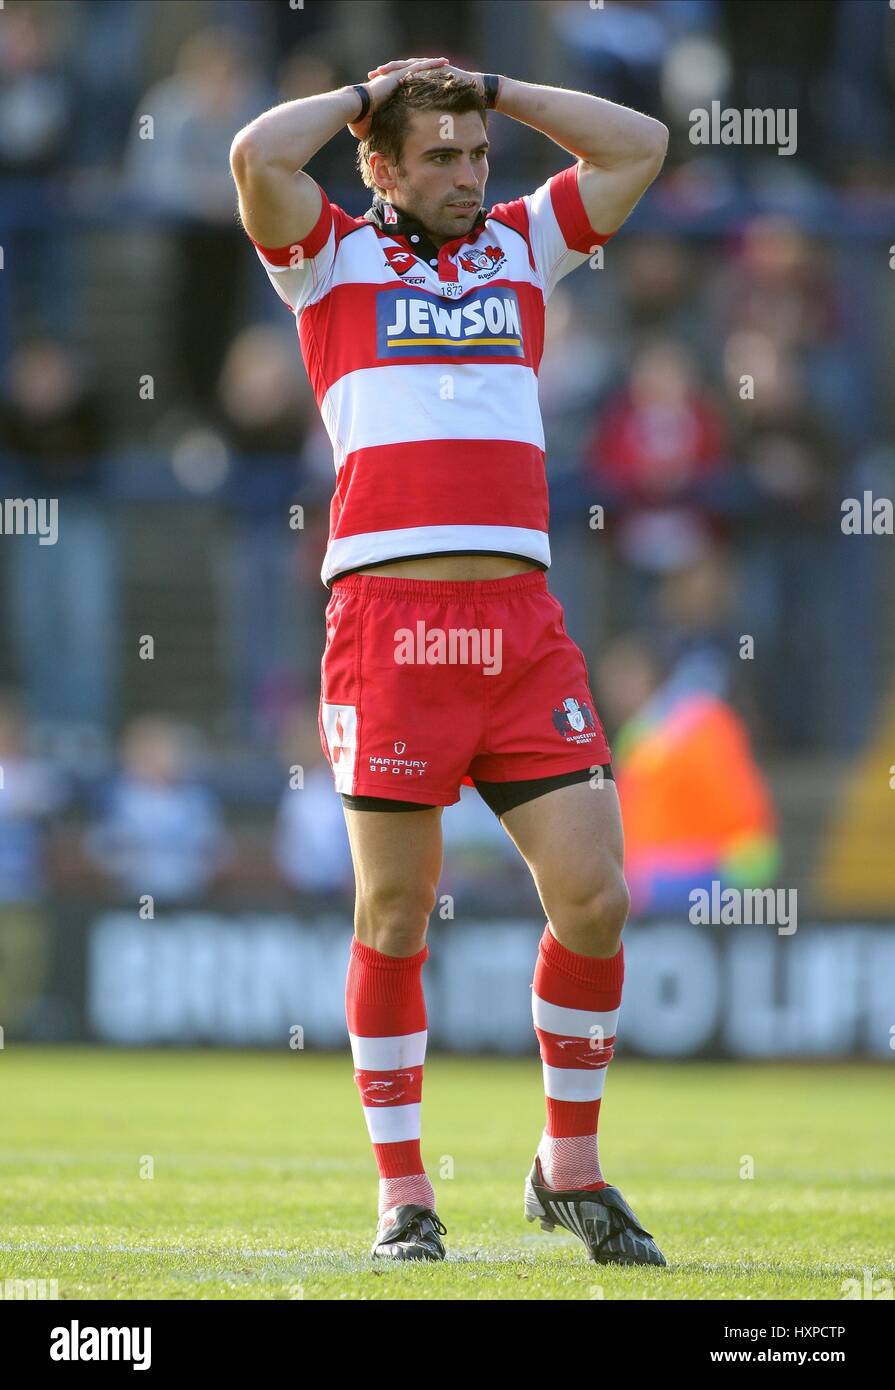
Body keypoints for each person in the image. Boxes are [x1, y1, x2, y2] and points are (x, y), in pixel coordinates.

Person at [230, 57, 668, 1265]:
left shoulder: (525, 245)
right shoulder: (326, 257)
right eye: (441, 157)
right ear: (378, 162)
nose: (471, 178)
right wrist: (367, 95)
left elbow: (638, 146)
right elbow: (258, 156)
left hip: (521, 632)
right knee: (394, 911)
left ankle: (563, 1168)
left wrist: (490, 89)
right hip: (391, 633)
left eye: (478, 157)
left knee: (594, 897)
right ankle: (404, 1197)